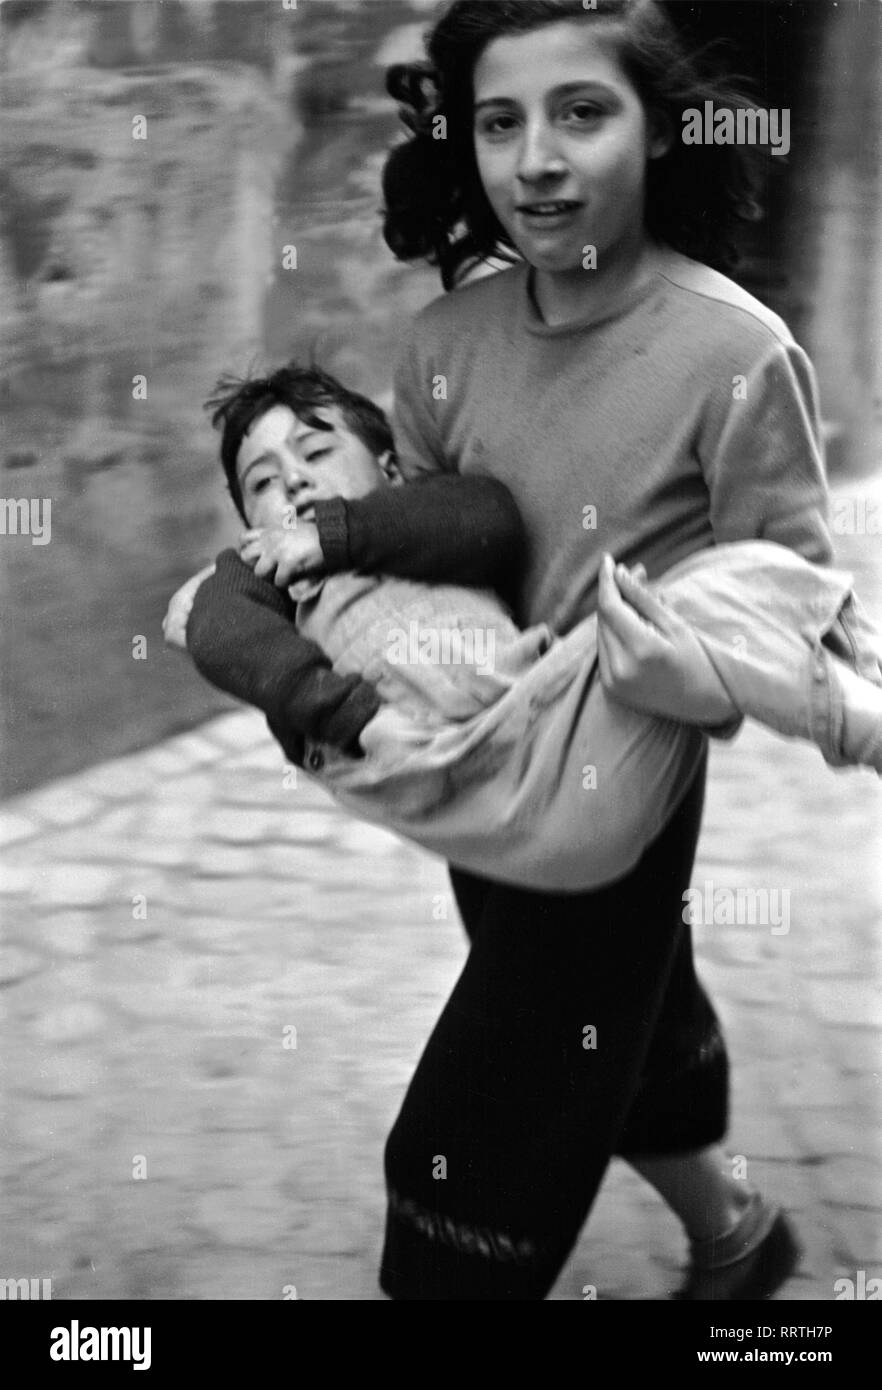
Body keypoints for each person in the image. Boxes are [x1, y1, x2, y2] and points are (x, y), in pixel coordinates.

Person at [169, 0, 858, 1299]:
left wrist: (692, 680)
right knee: (623, 1014)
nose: (536, 159)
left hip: (623, 763)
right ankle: (735, 1236)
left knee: (473, 1128)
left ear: (654, 133)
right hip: (478, 759)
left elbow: (788, 584)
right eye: (499, 122)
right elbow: (417, 545)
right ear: (467, 147)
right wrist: (309, 681)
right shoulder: (439, 348)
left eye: (580, 112)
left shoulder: (735, 350)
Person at [164, 362, 882, 897]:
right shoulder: (261, 574)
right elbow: (216, 627)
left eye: (317, 454)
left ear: (388, 469)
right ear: (248, 521)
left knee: (726, 578)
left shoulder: (419, 517)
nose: (291, 481)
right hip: (444, 765)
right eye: (262, 481)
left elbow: (492, 521)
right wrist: (353, 718)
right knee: (697, 598)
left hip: (562, 736)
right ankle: (860, 720)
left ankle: (865, 685)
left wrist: (340, 532)